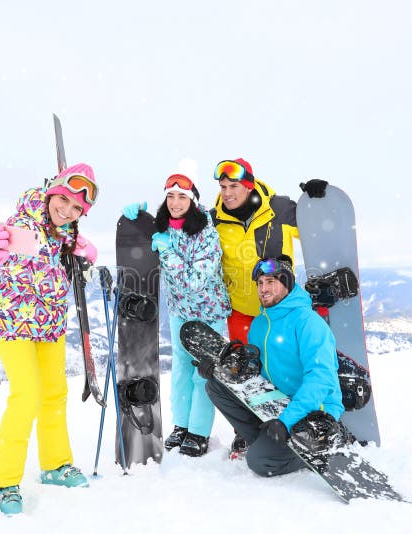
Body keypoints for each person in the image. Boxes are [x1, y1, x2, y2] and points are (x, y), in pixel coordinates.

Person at [0, 163, 99, 515]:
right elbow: (4, 249)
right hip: (12, 321)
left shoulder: (66, 234)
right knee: (27, 395)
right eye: (64, 200)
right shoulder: (24, 221)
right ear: (52, 191)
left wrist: (83, 252)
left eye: (78, 208)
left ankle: (56, 464)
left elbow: (71, 256)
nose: (68, 211)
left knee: (54, 394)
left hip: (49, 324)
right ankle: (5, 480)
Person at [210, 158, 327, 456]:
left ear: (248, 185)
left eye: (233, 186)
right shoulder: (215, 220)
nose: (227, 193)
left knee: (284, 369)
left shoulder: (280, 209)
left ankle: (302, 421)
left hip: (281, 311)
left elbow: (318, 231)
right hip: (241, 310)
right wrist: (151, 221)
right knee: (242, 376)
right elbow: (182, 229)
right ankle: (246, 433)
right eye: (223, 187)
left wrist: (316, 201)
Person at [197, 256, 344, 477]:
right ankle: (268, 441)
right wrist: (219, 370)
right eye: (260, 283)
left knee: (259, 462)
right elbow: (252, 370)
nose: (263, 289)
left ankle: (319, 447)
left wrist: (286, 421)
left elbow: (321, 380)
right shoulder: (259, 323)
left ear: (286, 283)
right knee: (215, 387)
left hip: (312, 410)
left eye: (270, 282)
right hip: (277, 403)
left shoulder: (308, 322)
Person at [122, 173, 231, 457]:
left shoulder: (207, 232)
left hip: (208, 313)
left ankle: (198, 431)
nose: (175, 202)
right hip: (180, 312)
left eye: (182, 196)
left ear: (193, 201)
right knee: (182, 371)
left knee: (203, 373)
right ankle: (181, 425)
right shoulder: (164, 228)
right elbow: (138, 240)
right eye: (170, 196)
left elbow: (195, 281)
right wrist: (135, 219)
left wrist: (168, 252)